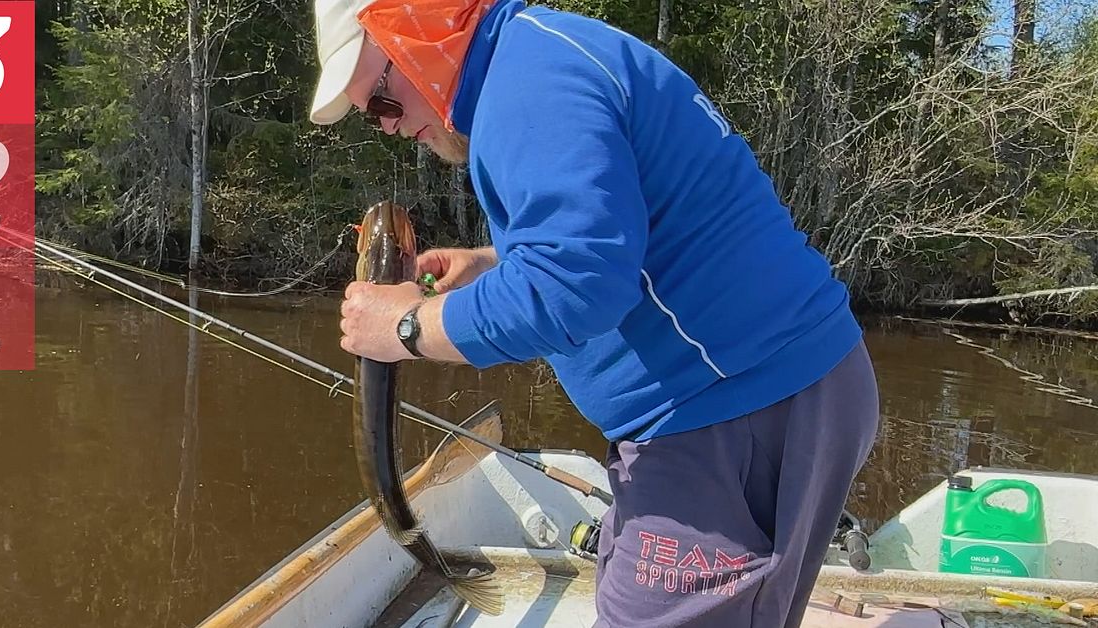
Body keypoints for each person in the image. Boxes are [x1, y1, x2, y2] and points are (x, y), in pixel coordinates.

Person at [314, 0, 881, 625]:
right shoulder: (538, 53)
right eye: (373, 119)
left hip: (731, 414)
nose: (388, 125)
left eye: (382, 99)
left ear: (417, 31)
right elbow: (619, 233)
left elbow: (579, 287)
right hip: (768, 395)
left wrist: (404, 327)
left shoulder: (521, 88)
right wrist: (492, 264)